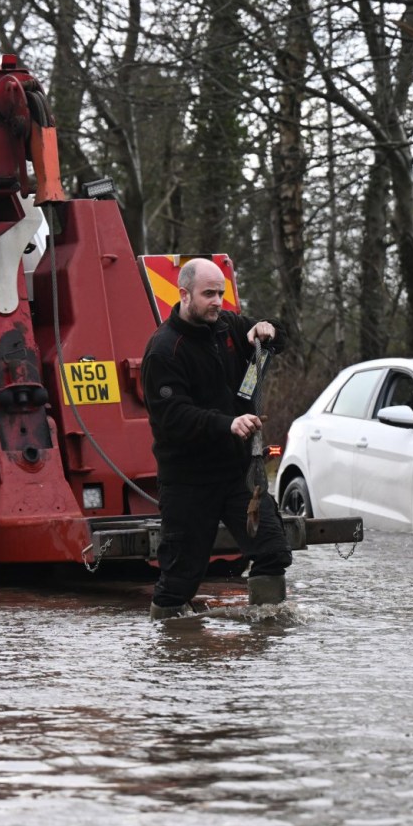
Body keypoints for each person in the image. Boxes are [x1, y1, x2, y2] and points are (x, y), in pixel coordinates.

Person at [143, 257, 292, 618]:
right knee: (179, 579)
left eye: (220, 294)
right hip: (187, 480)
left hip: (236, 475)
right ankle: (172, 647)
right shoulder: (164, 350)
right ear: (183, 294)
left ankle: (267, 637)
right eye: (208, 294)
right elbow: (173, 416)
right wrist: (226, 423)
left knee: (272, 551)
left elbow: (280, 336)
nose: (216, 302)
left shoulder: (227, 327)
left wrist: (266, 329)